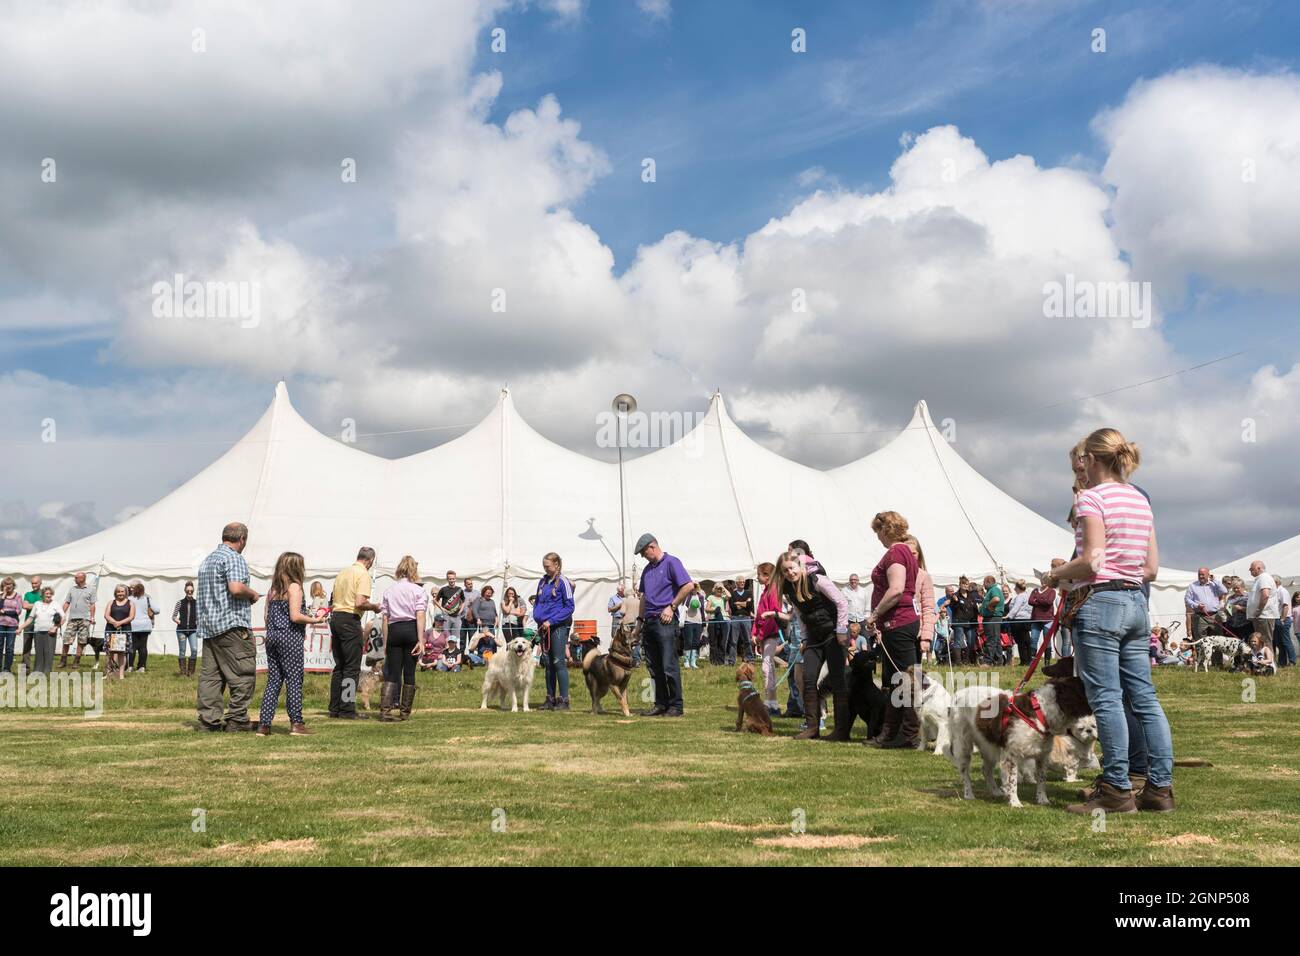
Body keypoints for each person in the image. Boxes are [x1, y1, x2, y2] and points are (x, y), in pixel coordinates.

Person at [1045, 428, 1174, 815]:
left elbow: (1092, 560)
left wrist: (1056, 576)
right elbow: (1151, 568)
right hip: (1136, 601)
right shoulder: (1139, 499)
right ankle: (1159, 788)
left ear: (1090, 460)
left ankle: (1116, 788)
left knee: (1107, 699)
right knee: (1146, 699)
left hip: (1101, 602)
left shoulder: (1092, 498)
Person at [196, 523, 262, 732]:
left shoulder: (207, 561)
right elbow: (235, 587)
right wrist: (252, 593)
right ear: (241, 539)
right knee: (242, 674)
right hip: (232, 625)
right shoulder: (234, 558)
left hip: (209, 628)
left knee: (211, 678)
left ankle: (209, 721)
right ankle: (237, 719)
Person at [778, 548, 849, 741]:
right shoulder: (789, 589)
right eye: (785, 571)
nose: (790, 573)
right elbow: (800, 615)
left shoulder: (818, 580)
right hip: (814, 638)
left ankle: (841, 731)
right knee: (808, 680)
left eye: (792, 568)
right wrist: (804, 639)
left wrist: (842, 631)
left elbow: (842, 602)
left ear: (800, 566)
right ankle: (812, 728)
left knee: (837, 681)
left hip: (834, 634)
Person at [257, 551, 328, 736]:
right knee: (294, 680)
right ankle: (297, 723)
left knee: (274, 681)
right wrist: (317, 620)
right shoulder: (294, 587)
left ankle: (264, 725)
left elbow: (266, 616)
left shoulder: (273, 590)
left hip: (272, 636)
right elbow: (295, 616)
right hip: (289, 637)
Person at [867, 511, 921, 748]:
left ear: (885, 530)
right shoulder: (906, 552)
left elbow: (897, 589)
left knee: (905, 681)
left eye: (877, 531)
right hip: (898, 623)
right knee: (894, 680)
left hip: (898, 622)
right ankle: (890, 733)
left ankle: (909, 734)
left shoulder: (896, 552)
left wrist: (875, 614)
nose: (877, 537)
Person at [635, 533, 693, 717]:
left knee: (668, 664)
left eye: (644, 553)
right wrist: (639, 622)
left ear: (652, 547)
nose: (644, 557)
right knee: (653, 666)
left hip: (665, 620)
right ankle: (660, 703)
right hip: (649, 622)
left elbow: (688, 586)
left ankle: (676, 705)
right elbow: (644, 597)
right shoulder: (647, 570)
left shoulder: (672, 563)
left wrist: (672, 606)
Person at [328, 547, 381, 720]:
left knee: (339, 666)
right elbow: (359, 602)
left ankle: (335, 708)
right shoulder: (363, 574)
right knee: (351, 667)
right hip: (350, 619)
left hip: (336, 618)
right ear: (371, 560)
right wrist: (374, 606)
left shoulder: (343, 572)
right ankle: (347, 709)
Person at [378, 555, 427, 722]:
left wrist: (385, 641)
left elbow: (385, 618)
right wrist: (421, 640)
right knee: (409, 672)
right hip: (411, 629)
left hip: (394, 630)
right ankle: (405, 712)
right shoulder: (418, 590)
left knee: (393, 671)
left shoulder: (389, 590)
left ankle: (385, 711)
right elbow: (420, 615)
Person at [531, 552, 576, 711]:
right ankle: (550, 698)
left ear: (556, 565)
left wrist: (551, 621)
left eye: (547, 566)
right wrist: (538, 618)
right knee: (548, 664)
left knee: (558, 662)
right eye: (544, 566)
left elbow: (570, 607)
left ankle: (564, 700)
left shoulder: (563, 582)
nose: (545, 568)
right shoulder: (543, 582)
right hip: (543, 628)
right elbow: (537, 602)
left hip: (557, 627)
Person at [750, 562, 782, 713]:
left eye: (759, 575)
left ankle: (771, 704)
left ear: (767, 575)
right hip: (762, 635)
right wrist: (754, 633)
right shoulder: (764, 592)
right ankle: (771, 702)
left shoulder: (774, 591)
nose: (757, 577)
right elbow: (759, 615)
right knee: (768, 668)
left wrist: (761, 635)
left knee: (767, 667)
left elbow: (773, 616)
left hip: (770, 634)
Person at [905, 536, 936, 664]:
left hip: (916, 632)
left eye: (914, 553)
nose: (911, 557)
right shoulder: (893, 575)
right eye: (908, 554)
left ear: (919, 554)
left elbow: (928, 608)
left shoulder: (923, 576)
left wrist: (926, 638)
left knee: (914, 675)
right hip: (896, 631)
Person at [17, 586, 61, 674]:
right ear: (42, 595)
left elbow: (63, 618)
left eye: (50, 594)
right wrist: (21, 627)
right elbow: (30, 618)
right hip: (38, 632)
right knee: (39, 652)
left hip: (50, 633)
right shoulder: (37, 604)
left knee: (48, 652)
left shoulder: (55, 604)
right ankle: (37, 671)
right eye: (47, 594)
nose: (48, 595)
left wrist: (55, 627)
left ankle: (47, 672)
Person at [58, 572, 96, 669]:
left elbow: (92, 604)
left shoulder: (91, 589)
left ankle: (77, 660)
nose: (75, 579)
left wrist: (92, 617)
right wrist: (61, 615)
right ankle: (63, 660)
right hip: (72, 618)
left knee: (81, 640)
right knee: (66, 639)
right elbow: (67, 602)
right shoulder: (72, 589)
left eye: (76, 577)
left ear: (83, 578)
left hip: (85, 618)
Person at [1184, 567, 1227, 648]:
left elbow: (1224, 591)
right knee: (1200, 642)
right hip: (1200, 616)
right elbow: (1187, 599)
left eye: (1203, 575)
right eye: (1199, 575)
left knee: (1217, 641)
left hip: (1214, 616)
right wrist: (1196, 605)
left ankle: (1217, 661)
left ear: (1208, 575)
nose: (1201, 576)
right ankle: (1202, 660)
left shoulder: (1214, 584)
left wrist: (1215, 580)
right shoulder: (1192, 586)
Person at [1246, 560, 1279, 660]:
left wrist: (1259, 610)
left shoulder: (1264, 578)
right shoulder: (1260, 579)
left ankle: (1270, 665)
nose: (1250, 571)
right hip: (1260, 616)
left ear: (1259, 568)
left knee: (1265, 641)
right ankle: (1263, 663)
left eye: (1251, 569)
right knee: (1261, 641)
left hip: (1264, 616)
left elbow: (1265, 595)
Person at [104, 584, 133, 680]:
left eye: (122, 591)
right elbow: (106, 615)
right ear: (115, 593)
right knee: (110, 652)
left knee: (121, 652)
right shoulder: (111, 602)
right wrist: (114, 622)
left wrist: (120, 623)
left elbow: (131, 617)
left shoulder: (131, 603)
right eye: (118, 591)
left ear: (126, 592)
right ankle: (109, 673)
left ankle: (121, 674)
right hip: (111, 629)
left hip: (124, 630)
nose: (120, 593)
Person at [127, 581, 157, 673]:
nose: (131, 588)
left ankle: (130, 666)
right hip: (145, 626)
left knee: (132, 647)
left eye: (132, 587)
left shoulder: (129, 599)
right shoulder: (148, 598)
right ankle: (142, 667)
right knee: (143, 647)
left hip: (133, 625)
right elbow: (157, 609)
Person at [948, 576, 978, 665]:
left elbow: (975, 609)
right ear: (960, 584)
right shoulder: (955, 596)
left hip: (970, 623)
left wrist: (975, 620)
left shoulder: (971, 596)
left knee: (971, 642)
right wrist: (956, 602)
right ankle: (958, 662)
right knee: (958, 641)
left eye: (966, 584)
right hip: (959, 622)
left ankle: (967, 660)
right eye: (963, 584)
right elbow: (952, 608)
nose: (965, 585)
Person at [1028, 576, 1057, 665]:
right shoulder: (1035, 590)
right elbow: (1030, 601)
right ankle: (1033, 662)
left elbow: (1049, 602)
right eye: (1042, 580)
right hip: (1036, 619)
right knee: (1033, 639)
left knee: (1046, 641)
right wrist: (1042, 601)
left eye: (1046, 580)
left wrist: (1037, 599)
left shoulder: (1052, 591)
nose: (1044, 582)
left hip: (1048, 620)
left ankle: (1047, 663)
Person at [173, 581, 199, 676]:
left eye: (191, 590)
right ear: (185, 590)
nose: (189, 592)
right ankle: (183, 672)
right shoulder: (179, 603)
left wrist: (198, 622)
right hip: (181, 631)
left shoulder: (197, 603)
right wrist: (180, 622)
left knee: (194, 649)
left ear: (193, 591)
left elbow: (199, 616)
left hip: (193, 630)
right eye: (188, 590)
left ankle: (191, 672)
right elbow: (174, 616)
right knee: (182, 650)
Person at [978, 575, 1005, 666]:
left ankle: (988, 661)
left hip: (992, 618)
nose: (983, 585)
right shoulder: (992, 590)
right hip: (993, 618)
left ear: (989, 582)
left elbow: (996, 599)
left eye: (984, 583)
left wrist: (989, 606)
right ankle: (998, 661)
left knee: (991, 640)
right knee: (996, 640)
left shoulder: (994, 589)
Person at [433, 571, 465, 644]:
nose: (452, 580)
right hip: (446, 616)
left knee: (455, 638)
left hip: (457, 616)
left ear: (455, 579)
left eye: (453, 579)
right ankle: (446, 653)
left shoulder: (459, 589)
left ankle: (455, 654)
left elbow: (463, 600)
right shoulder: (443, 589)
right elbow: (435, 600)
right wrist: (442, 609)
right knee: (446, 636)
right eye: (450, 579)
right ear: (447, 579)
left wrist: (461, 610)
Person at [1006, 580, 1033, 665]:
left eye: (1015, 587)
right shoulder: (1028, 596)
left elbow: (1016, 608)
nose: (1014, 589)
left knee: (1021, 642)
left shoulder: (1020, 596)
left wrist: (1008, 616)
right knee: (1027, 641)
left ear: (1018, 588)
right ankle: (1029, 659)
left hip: (1018, 621)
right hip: (1027, 620)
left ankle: (1024, 661)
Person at [728, 576, 753, 664]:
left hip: (746, 618)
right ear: (736, 583)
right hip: (735, 617)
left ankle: (749, 659)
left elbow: (749, 606)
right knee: (733, 641)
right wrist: (744, 603)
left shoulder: (748, 593)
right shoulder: (733, 594)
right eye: (740, 581)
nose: (742, 583)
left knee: (748, 640)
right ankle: (732, 660)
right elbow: (733, 607)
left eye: (743, 581)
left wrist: (738, 603)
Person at [19, 575, 42, 671]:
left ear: (40, 583)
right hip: (28, 623)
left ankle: (38, 668)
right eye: (32, 583)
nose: (33, 585)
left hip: (40, 623)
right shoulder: (28, 594)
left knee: (39, 647)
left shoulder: (45, 594)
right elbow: (24, 606)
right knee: (26, 646)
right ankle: (25, 669)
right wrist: (38, 604)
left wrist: (31, 605)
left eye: (36, 583)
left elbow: (46, 605)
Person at [680, 582, 705, 669]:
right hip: (688, 621)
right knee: (688, 642)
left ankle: (693, 661)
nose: (694, 588)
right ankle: (686, 661)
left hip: (698, 622)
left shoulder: (701, 597)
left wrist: (704, 623)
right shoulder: (687, 596)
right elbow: (683, 607)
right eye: (693, 587)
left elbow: (702, 610)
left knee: (695, 642)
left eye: (696, 586)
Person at [1271, 575, 1294, 667]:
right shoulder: (1275, 592)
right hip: (1277, 618)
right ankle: (1282, 662)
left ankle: (1292, 661)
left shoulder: (1282, 591)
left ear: (1276, 582)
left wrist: (1282, 619)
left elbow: (1285, 606)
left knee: (1286, 641)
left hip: (1283, 618)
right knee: (1279, 642)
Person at [0, 577, 21, 673]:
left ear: (13, 585)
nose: (8, 586)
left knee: (9, 647)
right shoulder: (1, 596)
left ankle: (7, 669)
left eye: (10, 584)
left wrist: (4, 612)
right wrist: (3, 595)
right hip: (1, 624)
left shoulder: (18, 596)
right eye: (6, 584)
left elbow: (18, 611)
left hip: (12, 625)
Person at [707, 583, 731, 664]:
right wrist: (715, 610)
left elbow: (729, 596)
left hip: (723, 620)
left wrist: (723, 587)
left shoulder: (723, 598)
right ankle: (713, 661)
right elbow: (707, 609)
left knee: (722, 641)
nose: (720, 590)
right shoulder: (711, 597)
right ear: (715, 589)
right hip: (713, 620)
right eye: (718, 588)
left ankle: (721, 661)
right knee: (713, 641)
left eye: (721, 589)